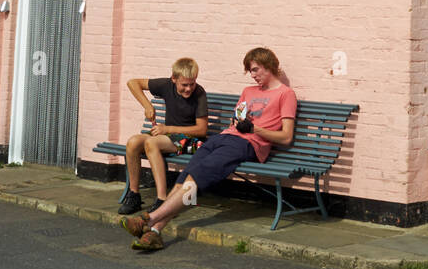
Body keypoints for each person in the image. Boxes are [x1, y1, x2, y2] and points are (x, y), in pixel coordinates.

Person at [121, 46, 296, 251]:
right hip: (224, 137)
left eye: (255, 69)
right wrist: (238, 123)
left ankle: (149, 219)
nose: (253, 75)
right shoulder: (248, 91)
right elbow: (238, 117)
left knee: (199, 176)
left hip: (248, 144)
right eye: (250, 70)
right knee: (186, 177)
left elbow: (286, 137)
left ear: (269, 66)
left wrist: (254, 128)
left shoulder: (286, 94)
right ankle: (156, 232)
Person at [118, 58, 208, 216]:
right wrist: (147, 105)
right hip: (168, 136)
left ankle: (162, 199)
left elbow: (201, 130)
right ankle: (134, 195)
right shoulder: (166, 85)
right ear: (174, 79)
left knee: (152, 143)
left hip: (192, 141)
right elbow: (133, 83)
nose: (189, 89)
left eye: (192, 84)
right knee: (133, 142)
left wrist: (168, 128)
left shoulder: (199, 93)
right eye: (184, 85)